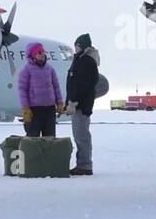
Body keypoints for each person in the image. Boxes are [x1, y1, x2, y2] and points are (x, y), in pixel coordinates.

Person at [65, 33, 99, 176]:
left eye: (77, 46)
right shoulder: (81, 60)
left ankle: (85, 165)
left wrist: (73, 101)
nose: (75, 48)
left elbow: (81, 84)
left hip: (80, 105)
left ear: (83, 47)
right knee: (79, 134)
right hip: (79, 103)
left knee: (81, 135)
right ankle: (83, 163)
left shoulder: (86, 61)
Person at [18, 42, 64, 137]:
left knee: (50, 138)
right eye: (39, 52)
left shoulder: (50, 70)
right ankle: (33, 152)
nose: (42, 54)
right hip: (34, 110)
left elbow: (56, 87)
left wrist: (59, 102)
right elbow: (22, 90)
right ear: (33, 55)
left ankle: (49, 152)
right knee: (33, 138)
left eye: (43, 51)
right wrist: (26, 108)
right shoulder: (26, 71)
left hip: (49, 109)